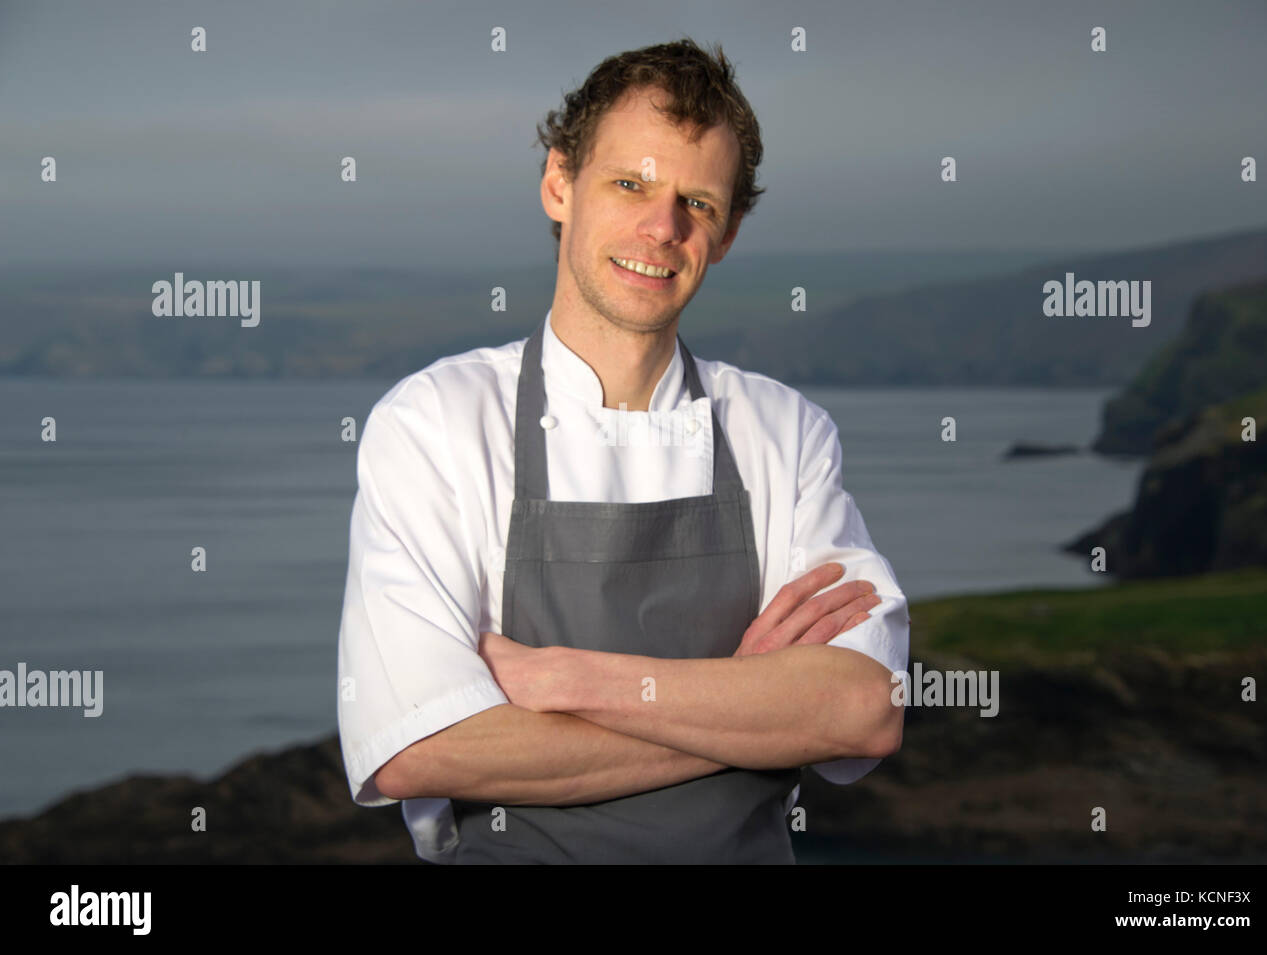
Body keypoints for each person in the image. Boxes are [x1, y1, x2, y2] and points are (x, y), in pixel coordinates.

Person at [336, 37, 910, 864]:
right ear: (559, 183)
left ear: (730, 230)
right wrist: (750, 706)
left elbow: (864, 708)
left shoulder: (783, 431)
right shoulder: (435, 423)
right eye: (630, 183)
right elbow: (418, 747)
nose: (662, 227)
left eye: (699, 203)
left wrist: (573, 681)